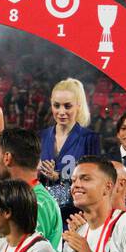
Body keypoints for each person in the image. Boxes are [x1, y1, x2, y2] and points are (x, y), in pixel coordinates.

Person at [38, 78, 102, 217]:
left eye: (67, 106)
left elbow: (95, 179)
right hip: (43, 214)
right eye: (56, 105)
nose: (61, 112)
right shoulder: (41, 137)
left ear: (78, 105)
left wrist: (58, 176)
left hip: (75, 216)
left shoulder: (89, 139)